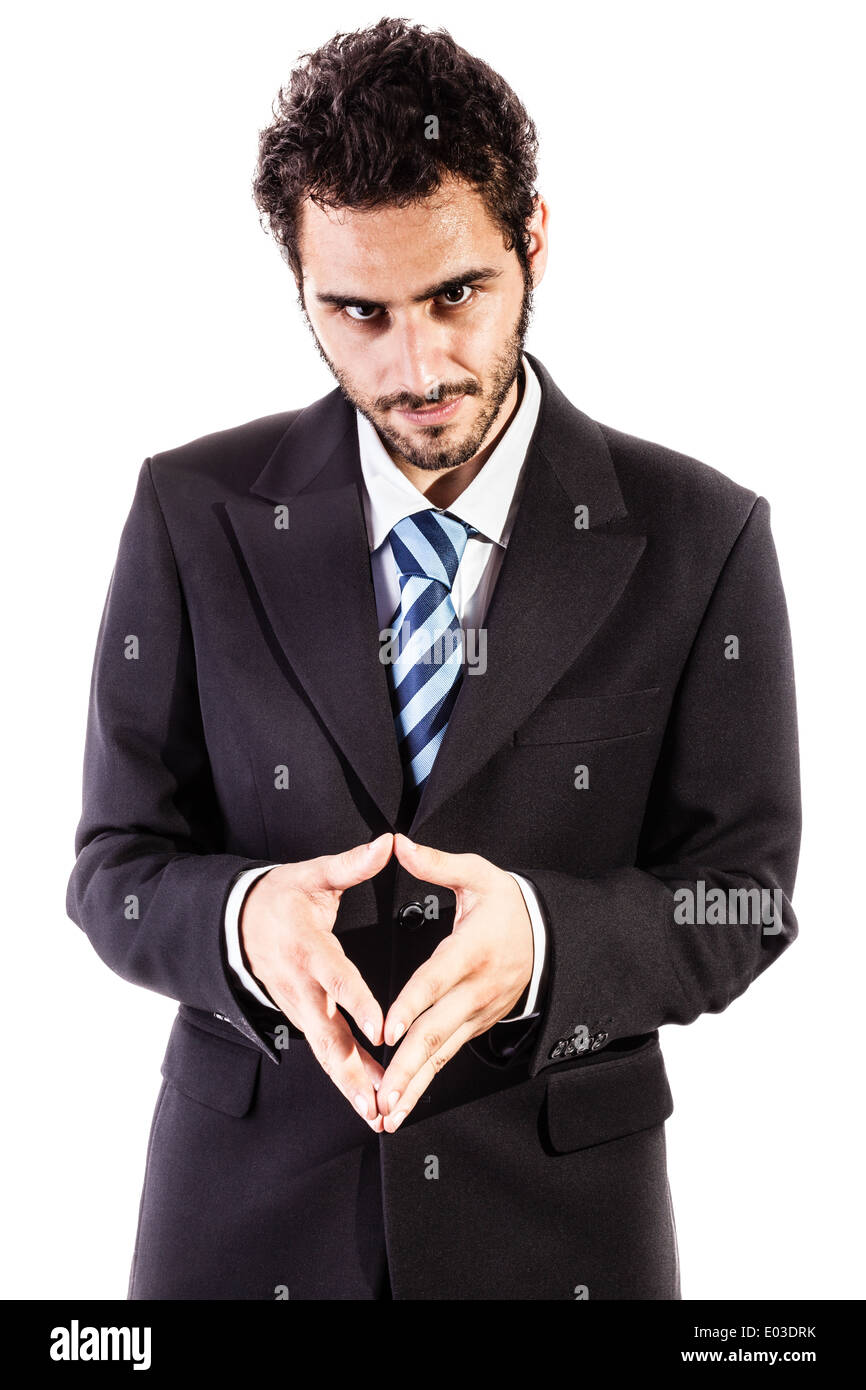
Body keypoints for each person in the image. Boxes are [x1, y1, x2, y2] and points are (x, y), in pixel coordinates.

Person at [66, 16, 801, 1300]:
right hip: (240, 1227)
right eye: (355, 312)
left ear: (532, 244)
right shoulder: (192, 512)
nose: (414, 368)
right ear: (297, 286)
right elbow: (113, 869)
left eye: (455, 295)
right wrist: (243, 922)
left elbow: (740, 897)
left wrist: (547, 936)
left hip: (557, 1230)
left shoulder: (701, 535)